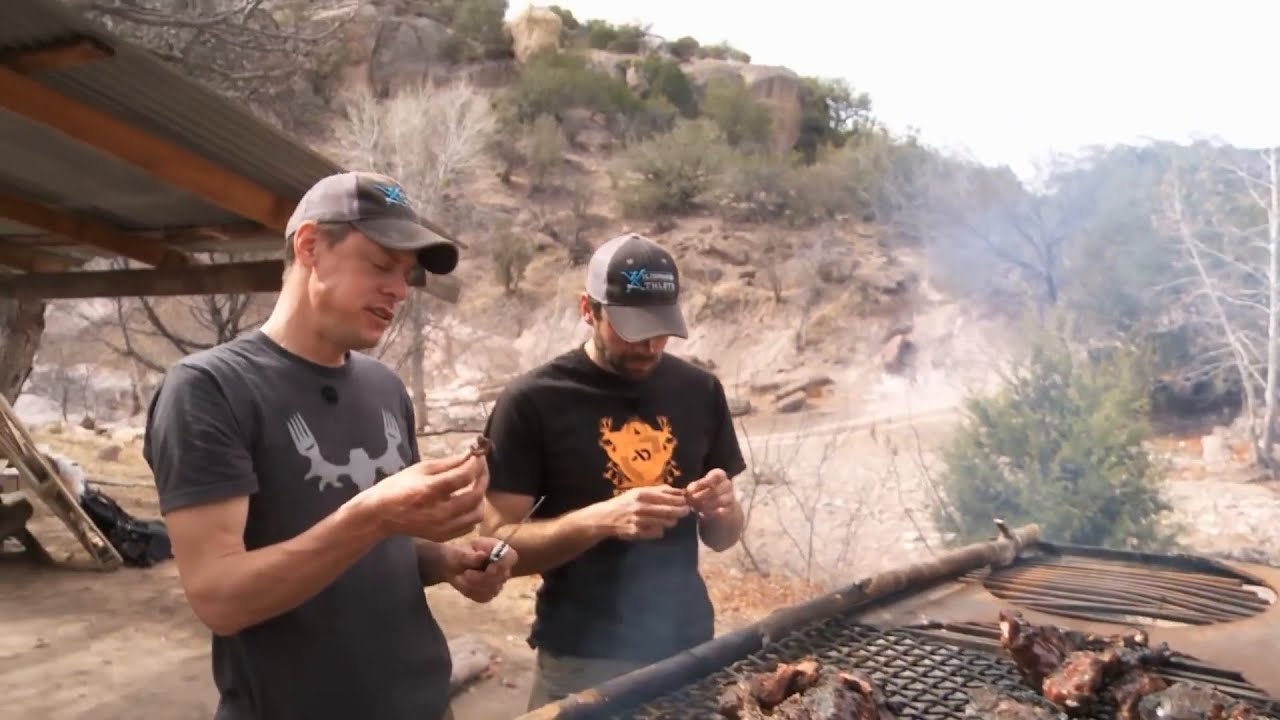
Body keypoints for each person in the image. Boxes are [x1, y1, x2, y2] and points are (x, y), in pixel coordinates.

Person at [142, 171, 517, 720]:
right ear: (311, 246)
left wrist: (442, 560)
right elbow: (219, 597)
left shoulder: (385, 387)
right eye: (382, 265)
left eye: (407, 275)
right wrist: (371, 517)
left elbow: (373, 552)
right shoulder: (210, 389)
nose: (400, 288)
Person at [479, 232, 748, 710]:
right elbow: (497, 546)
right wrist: (601, 519)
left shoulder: (700, 391)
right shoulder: (533, 401)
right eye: (630, 329)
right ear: (589, 309)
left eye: (661, 330)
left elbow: (723, 537)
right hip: (581, 658)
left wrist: (723, 510)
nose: (649, 347)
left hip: (689, 645)